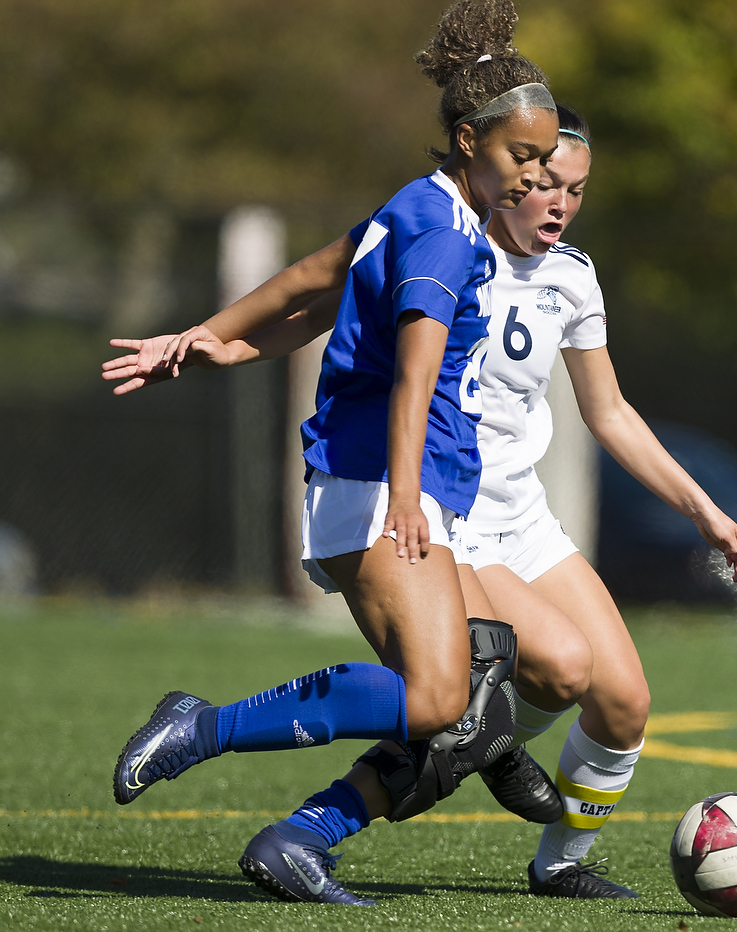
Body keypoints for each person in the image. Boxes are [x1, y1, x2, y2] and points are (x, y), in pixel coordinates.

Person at [104, 106, 737, 903]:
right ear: (490, 159)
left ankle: (552, 858)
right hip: (434, 509)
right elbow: (332, 303)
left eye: (575, 190)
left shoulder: (568, 275)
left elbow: (610, 411)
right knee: (507, 684)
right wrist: (223, 341)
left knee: (619, 698)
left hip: (514, 516)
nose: (553, 199)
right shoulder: (448, 237)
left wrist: (704, 510)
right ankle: (343, 802)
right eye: (542, 177)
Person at [106, 0, 560, 906]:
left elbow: (315, 276)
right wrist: (403, 497)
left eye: (545, 157)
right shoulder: (443, 235)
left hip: (387, 477)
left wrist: (217, 338)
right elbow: (414, 377)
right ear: (469, 141)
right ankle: (204, 727)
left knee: (482, 682)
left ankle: (305, 838)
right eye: (523, 156)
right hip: (388, 480)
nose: (538, 173)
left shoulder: (417, 205)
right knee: (437, 700)